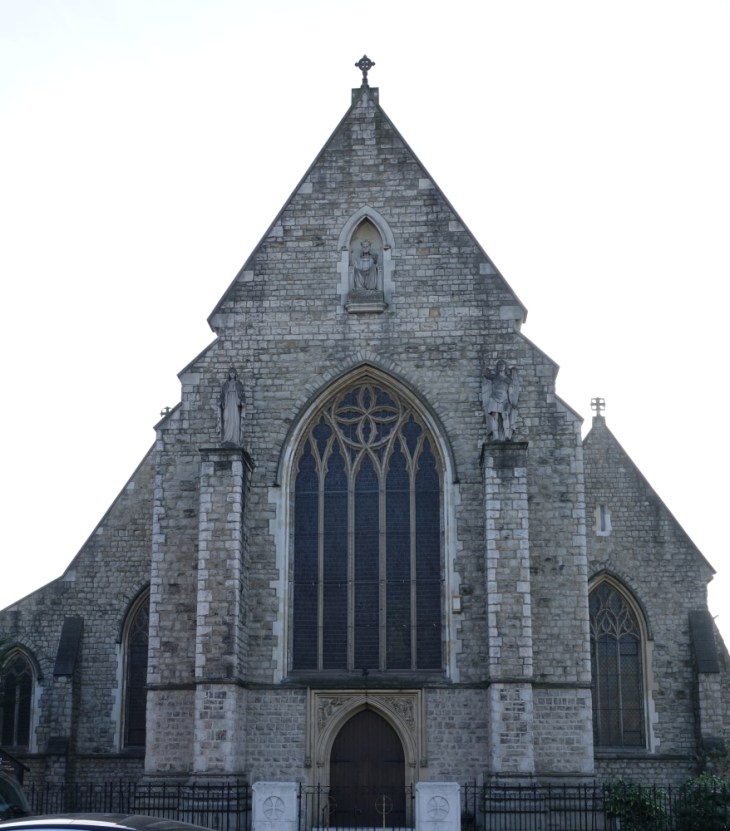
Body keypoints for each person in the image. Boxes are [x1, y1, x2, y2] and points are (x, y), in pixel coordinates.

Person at [482, 361, 520, 441]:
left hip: (504, 399)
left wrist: (512, 401)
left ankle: (507, 436)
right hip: (494, 398)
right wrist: (485, 366)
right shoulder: (494, 377)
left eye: (502, 365)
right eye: (499, 365)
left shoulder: (508, 379)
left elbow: (511, 390)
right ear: (497, 367)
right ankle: (495, 437)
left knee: (505, 416)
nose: (500, 366)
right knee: (494, 417)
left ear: (505, 367)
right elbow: (485, 375)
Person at [220, 368, 245, 446]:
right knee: (226, 419)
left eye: (233, 373)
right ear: (229, 374)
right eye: (231, 373)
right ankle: (226, 438)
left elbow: (242, 395)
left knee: (235, 421)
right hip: (228, 404)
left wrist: (242, 402)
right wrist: (221, 401)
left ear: (235, 374)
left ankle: (235, 439)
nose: (232, 374)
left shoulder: (238, 384)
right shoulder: (225, 384)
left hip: (235, 403)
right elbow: (222, 395)